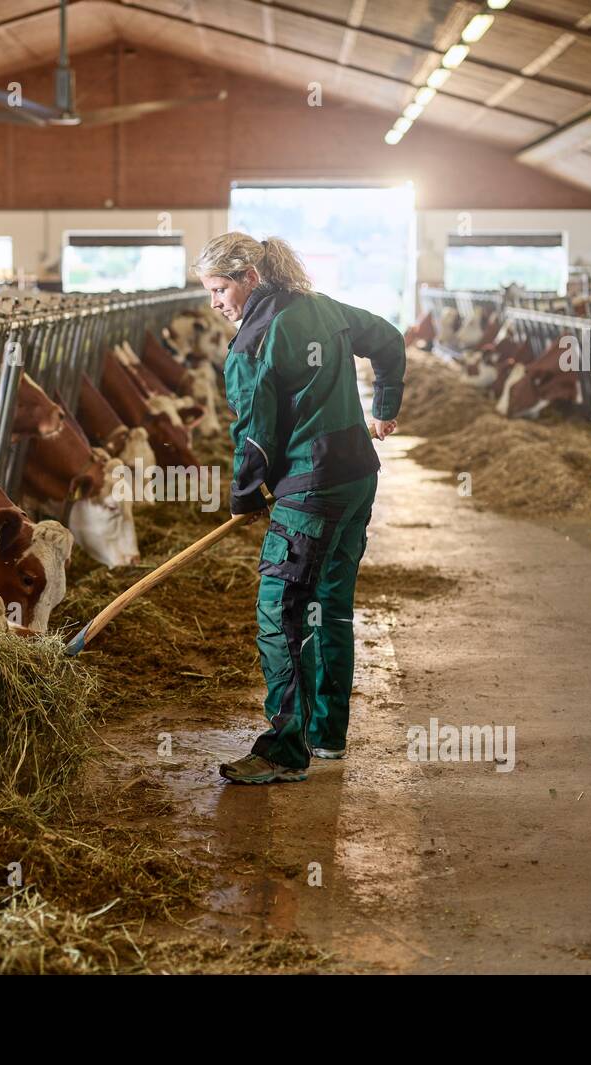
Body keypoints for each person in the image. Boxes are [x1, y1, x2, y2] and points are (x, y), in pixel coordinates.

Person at [192, 232, 405, 784]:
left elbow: (254, 437)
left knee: (281, 610)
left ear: (250, 278)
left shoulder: (252, 343)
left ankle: (285, 751)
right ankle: (326, 735)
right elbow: (389, 339)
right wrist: (384, 407)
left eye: (219, 289)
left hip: (311, 492)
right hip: (357, 478)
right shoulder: (323, 308)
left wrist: (244, 496)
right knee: (329, 605)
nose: (215, 303)